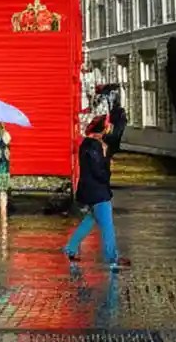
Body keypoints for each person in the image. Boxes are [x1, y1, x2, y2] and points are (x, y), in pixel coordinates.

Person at [64, 115, 130, 270]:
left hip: (89, 190)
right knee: (107, 226)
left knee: (89, 221)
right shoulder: (95, 146)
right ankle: (112, 258)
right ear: (102, 130)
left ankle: (70, 248)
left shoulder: (86, 144)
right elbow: (99, 171)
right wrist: (107, 161)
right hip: (98, 191)